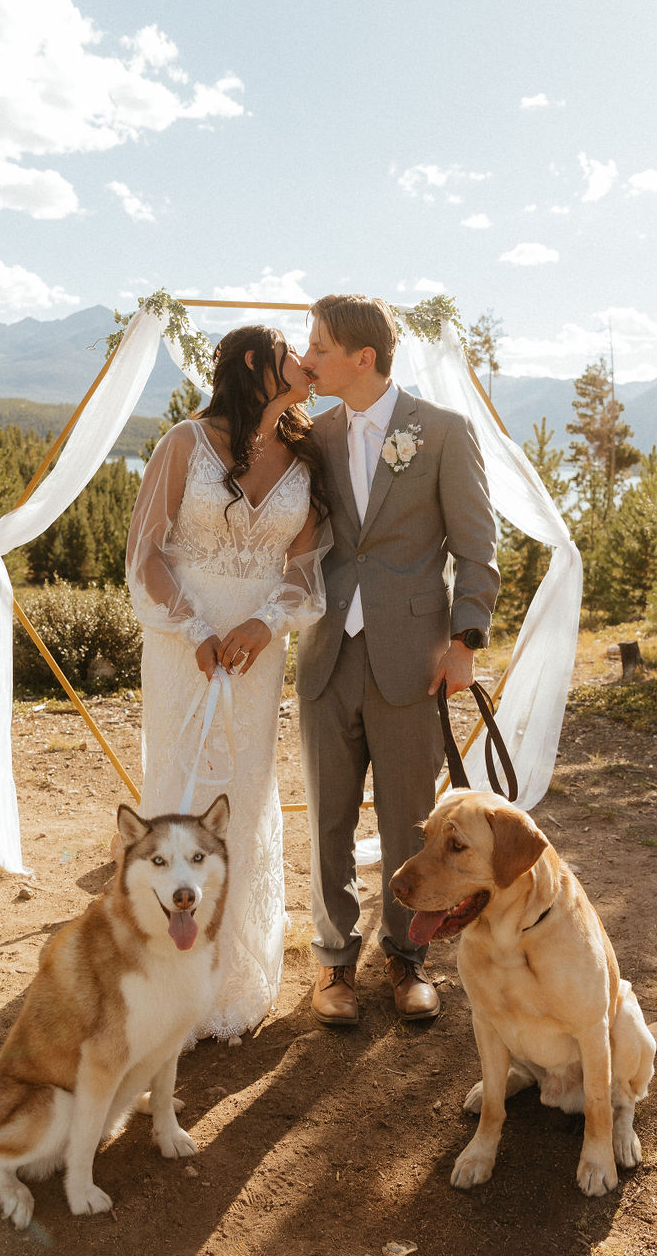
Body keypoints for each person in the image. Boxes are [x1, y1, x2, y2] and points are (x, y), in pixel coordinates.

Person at [297, 294, 500, 1026]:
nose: (307, 358)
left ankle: (407, 959)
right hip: (325, 655)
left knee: (412, 819)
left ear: (363, 357)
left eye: (317, 346)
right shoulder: (309, 435)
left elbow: (478, 548)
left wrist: (465, 643)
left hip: (414, 661)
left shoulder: (442, 433)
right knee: (328, 817)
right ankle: (333, 965)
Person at [126, 326, 330, 1042]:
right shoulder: (185, 442)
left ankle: (230, 975)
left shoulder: (307, 454)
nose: (305, 361)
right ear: (253, 363)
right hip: (185, 646)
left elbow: (305, 574)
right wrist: (191, 627)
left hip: (253, 654)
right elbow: (147, 552)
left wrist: (264, 624)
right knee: (180, 783)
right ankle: (164, 968)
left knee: (243, 791)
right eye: (289, 351)